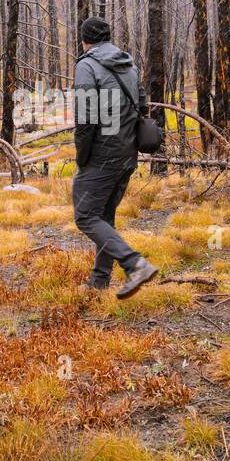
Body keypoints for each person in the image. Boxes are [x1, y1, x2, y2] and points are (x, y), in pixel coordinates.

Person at [72, 16, 159, 298]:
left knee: (85, 216)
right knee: (104, 216)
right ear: (107, 38)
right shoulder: (128, 64)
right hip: (127, 151)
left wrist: (82, 157)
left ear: (85, 40)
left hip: (102, 154)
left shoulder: (87, 66)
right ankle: (99, 281)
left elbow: (86, 119)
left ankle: (135, 264)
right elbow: (143, 103)